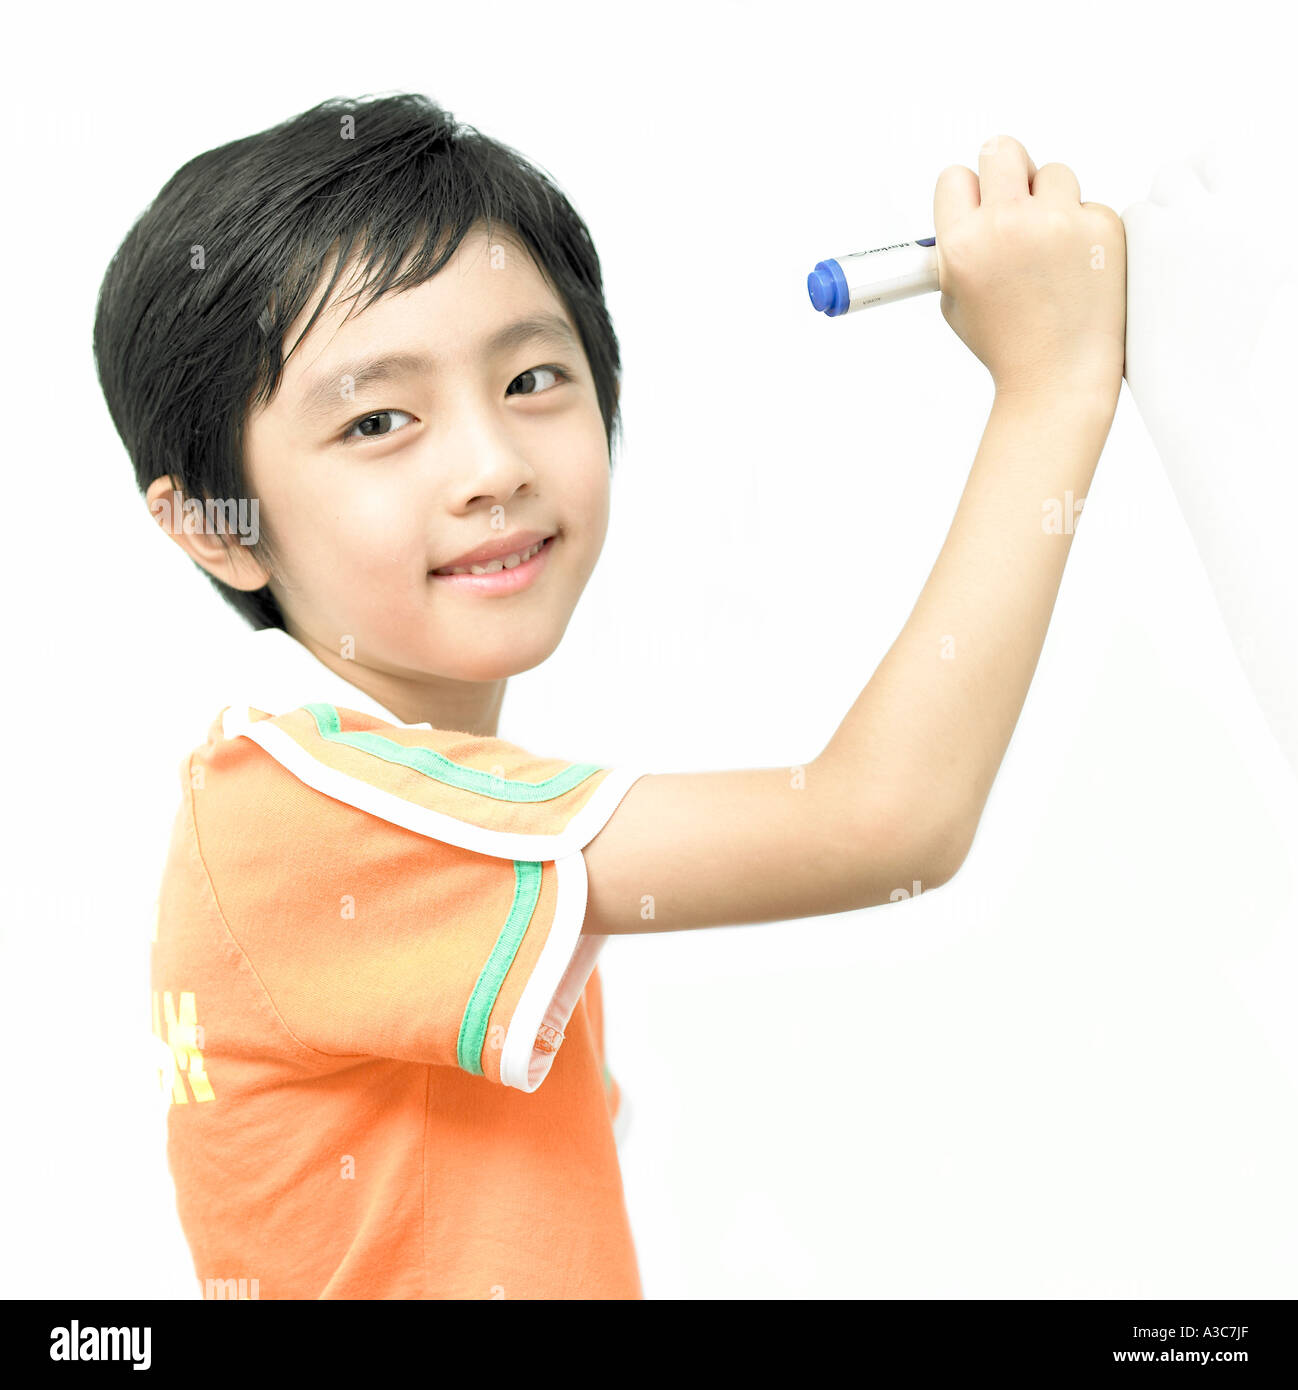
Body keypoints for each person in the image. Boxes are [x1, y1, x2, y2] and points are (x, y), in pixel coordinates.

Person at [94, 100, 1126, 1299]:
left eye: (532, 377)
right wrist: (1052, 386)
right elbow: (882, 822)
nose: (492, 464)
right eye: (379, 420)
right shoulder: (320, 812)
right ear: (216, 531)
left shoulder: (390, 805)